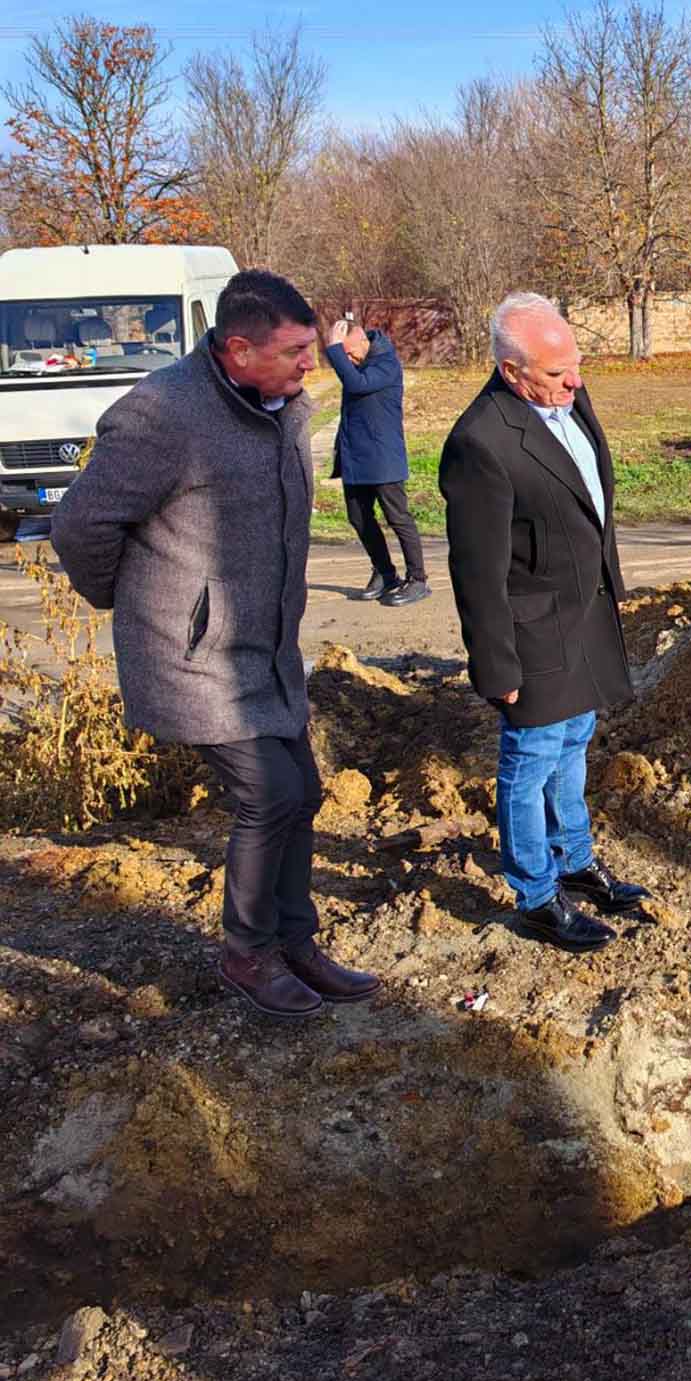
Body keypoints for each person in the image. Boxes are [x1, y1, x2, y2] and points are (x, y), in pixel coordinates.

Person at [50, 270, 380, 1018]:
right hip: (193, 657)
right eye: (296, 350)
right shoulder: (164, 415)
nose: (311, 364)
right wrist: (133, 602)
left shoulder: (285, 406)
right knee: (269, 792)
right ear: (238, 349)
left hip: (266, 649)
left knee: (305, 791)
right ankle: (247, 954)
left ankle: (295, 943)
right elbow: (80, 527)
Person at [438, 291, 649, 952]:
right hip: (532, 631)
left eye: (576, 366)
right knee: (529, 764)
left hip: (582, 614)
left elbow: (588, 499)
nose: (576, 382)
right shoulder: (482, 443)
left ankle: (575, 862)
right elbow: (477, 570)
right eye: (558, 375)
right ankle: (534, 895)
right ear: (510, 371)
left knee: (575, 743)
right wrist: (495, 663)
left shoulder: (565, 396)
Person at [324, 316, 429, 606]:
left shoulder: (386, 363)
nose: (346, 359)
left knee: (398, 518)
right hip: (355, 456)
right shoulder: (361, 360)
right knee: (358, 518)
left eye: (347, 352)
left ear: (361, 341)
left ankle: (418, 580)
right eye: (340, 354)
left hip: (383, 457)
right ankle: (385, 573)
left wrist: (333, 350)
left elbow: (357, 384)